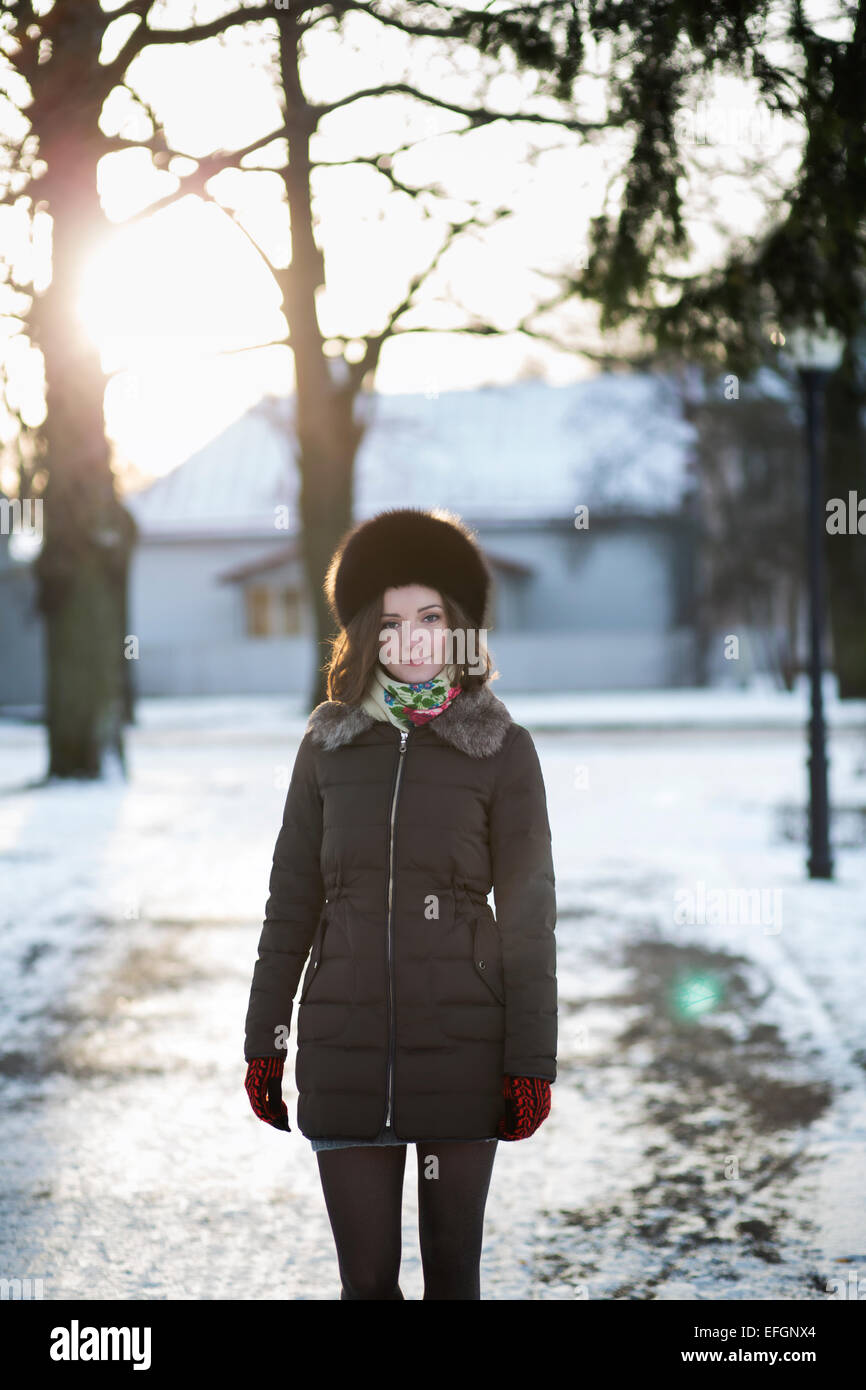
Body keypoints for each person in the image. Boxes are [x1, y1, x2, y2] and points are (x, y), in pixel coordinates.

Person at [244, 506, 557, 1300]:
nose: (412, 639)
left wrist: (530, 1063)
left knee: (453, 1282)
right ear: (365, 633)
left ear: (457, 626)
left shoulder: (502, 748)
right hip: (345, 1046)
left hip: (464, 1052)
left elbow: (528, 920)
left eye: (429, 616)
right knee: (367, 1288)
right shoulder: (327, 745)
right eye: (391, 622)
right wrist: (264, 1040)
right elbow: (290, 904)